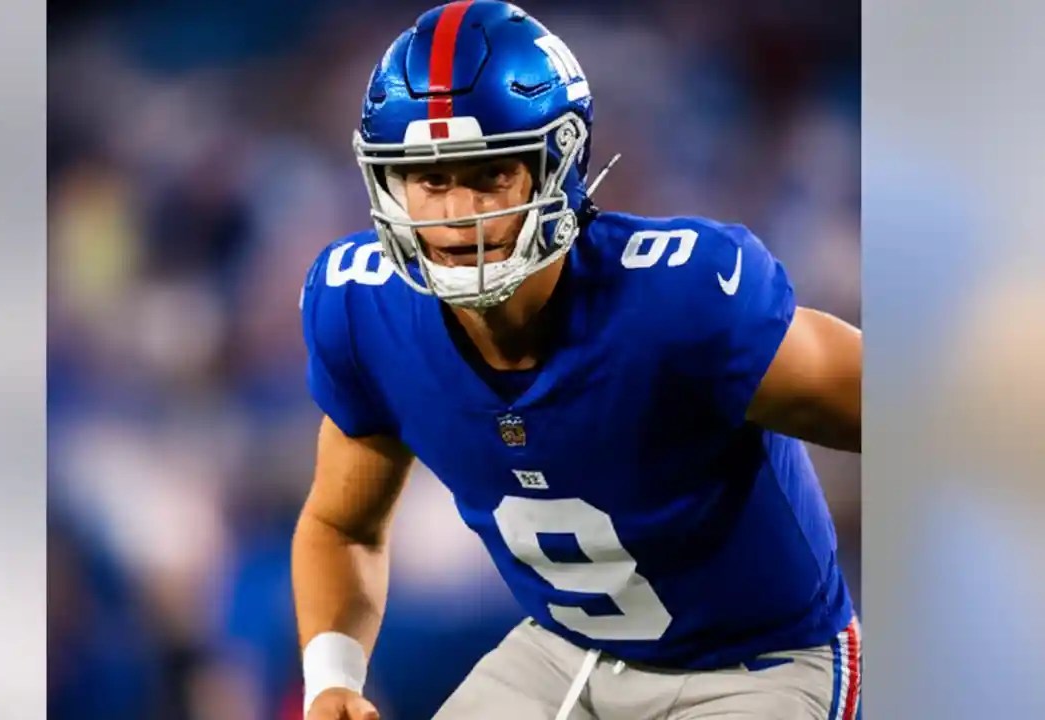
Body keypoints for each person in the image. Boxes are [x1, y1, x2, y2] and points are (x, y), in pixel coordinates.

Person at [292, 2, 862, 718]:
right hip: (563, 651)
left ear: (555, 166)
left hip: (758, 661)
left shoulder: (680, 301)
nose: (456, 214)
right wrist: (334, 678)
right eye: (430, 181)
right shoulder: (362, 310)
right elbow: (341, 523)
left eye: (489, 175)